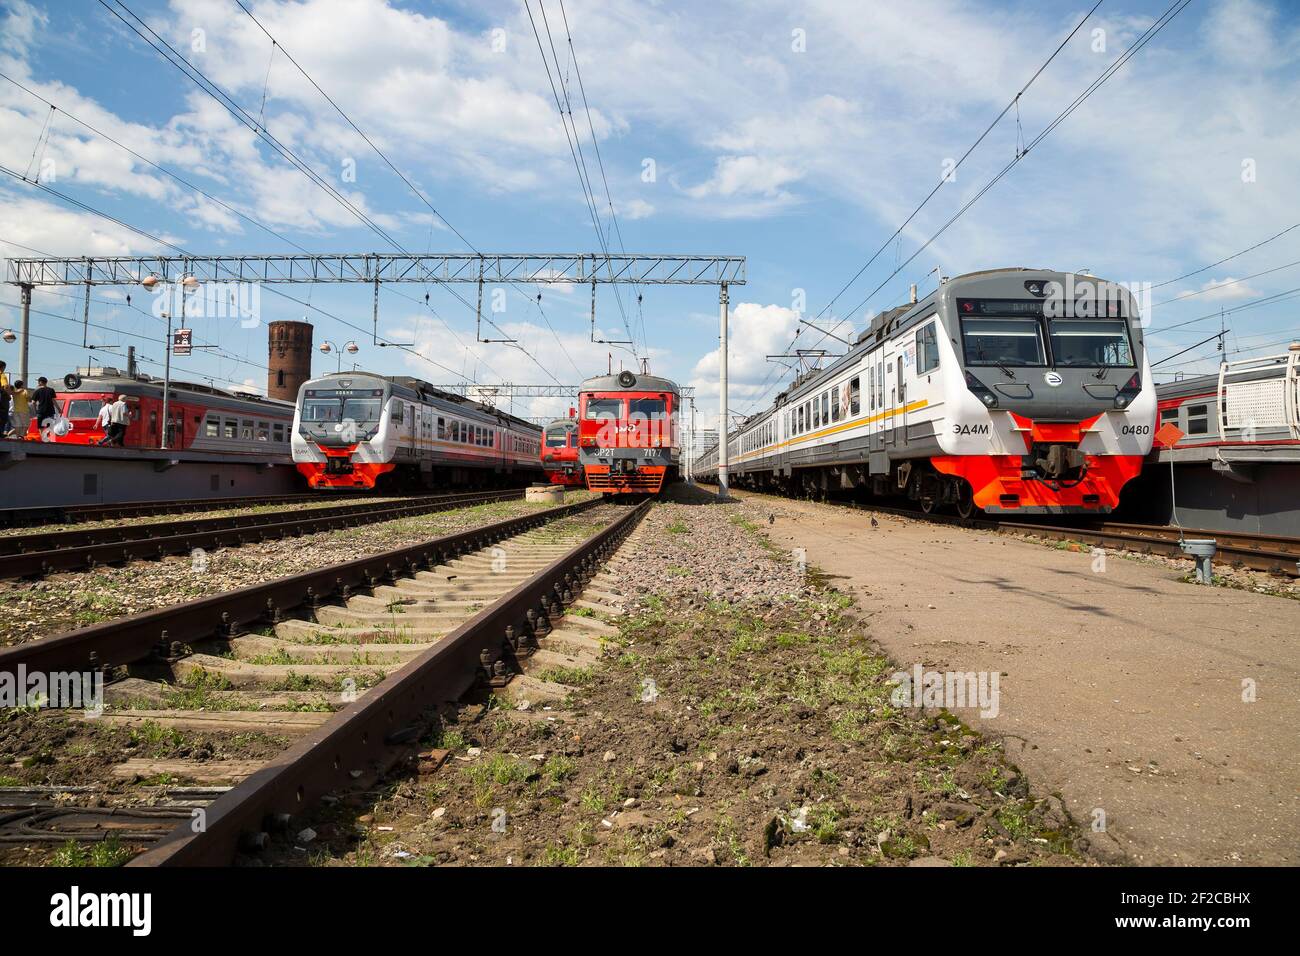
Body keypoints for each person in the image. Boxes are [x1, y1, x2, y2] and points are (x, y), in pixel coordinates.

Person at [0, 360, 10, 438]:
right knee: (2, 416)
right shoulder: (2, 375)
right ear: (2, 367)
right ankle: (0, 432)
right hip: (2, 397)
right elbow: (5, 386)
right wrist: (8, 394)